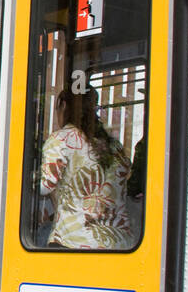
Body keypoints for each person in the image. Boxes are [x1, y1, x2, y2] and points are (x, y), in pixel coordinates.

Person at [39, 87, 134, 249]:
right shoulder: (114, 146)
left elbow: (44, 186)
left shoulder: (61, 139)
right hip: (120, 243)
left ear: (62, 105)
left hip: (74, 241)